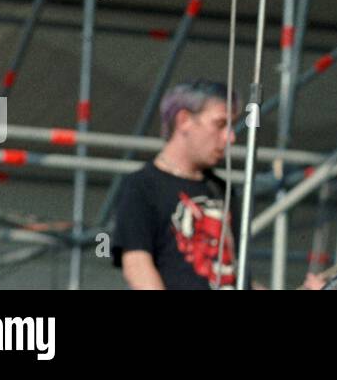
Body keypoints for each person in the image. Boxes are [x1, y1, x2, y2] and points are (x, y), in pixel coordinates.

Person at [113, 79, 324, 289]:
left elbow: (236, 276)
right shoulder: (142, 186)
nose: (230, 137)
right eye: (221, 124)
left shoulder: (222, 190)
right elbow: (137, 265)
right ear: (184, 120)